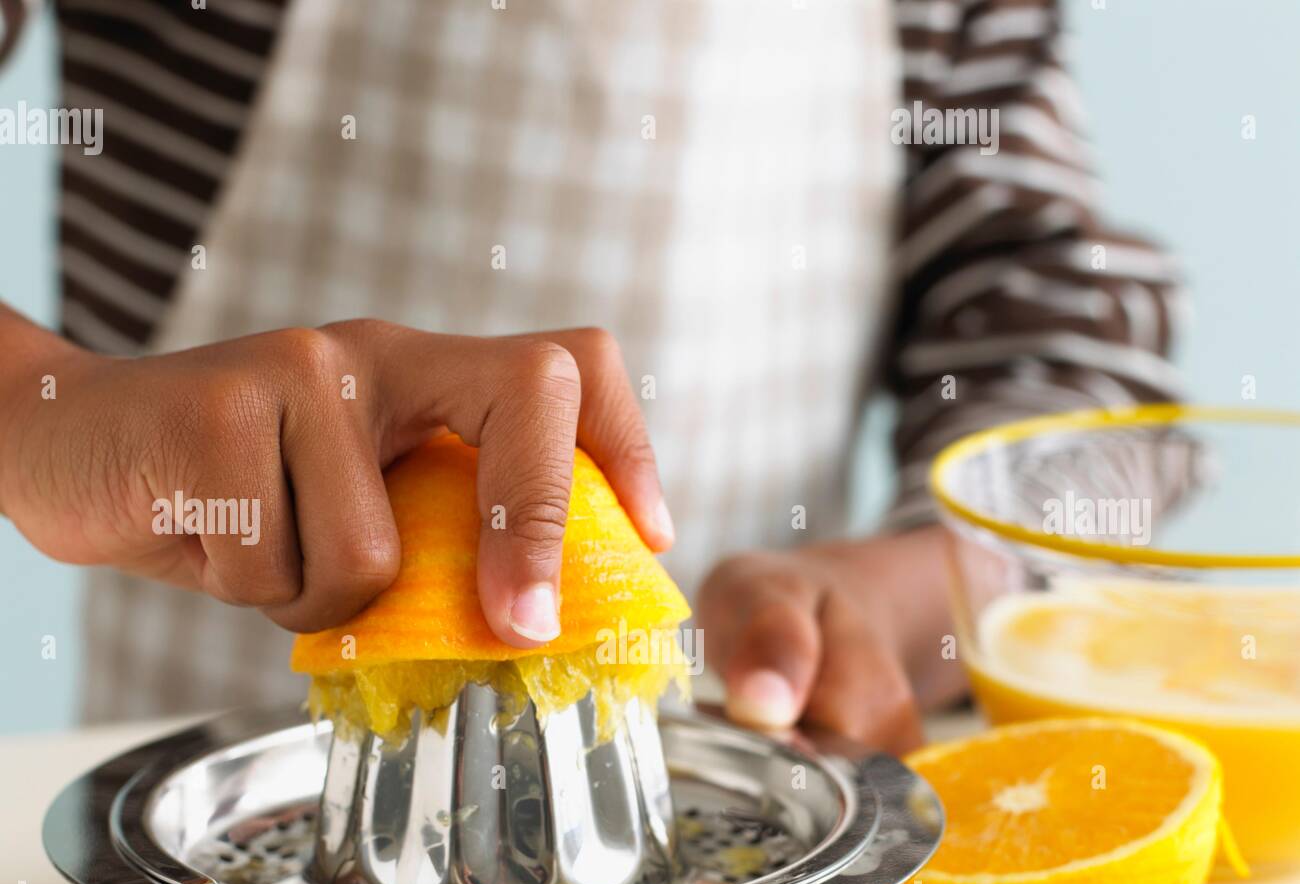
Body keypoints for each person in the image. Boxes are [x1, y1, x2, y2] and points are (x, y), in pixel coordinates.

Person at [0, 0, 1180, 751]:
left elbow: (1064, 335)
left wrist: (904, 596)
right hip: (194, 847)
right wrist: (33, 405)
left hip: (708, 834)